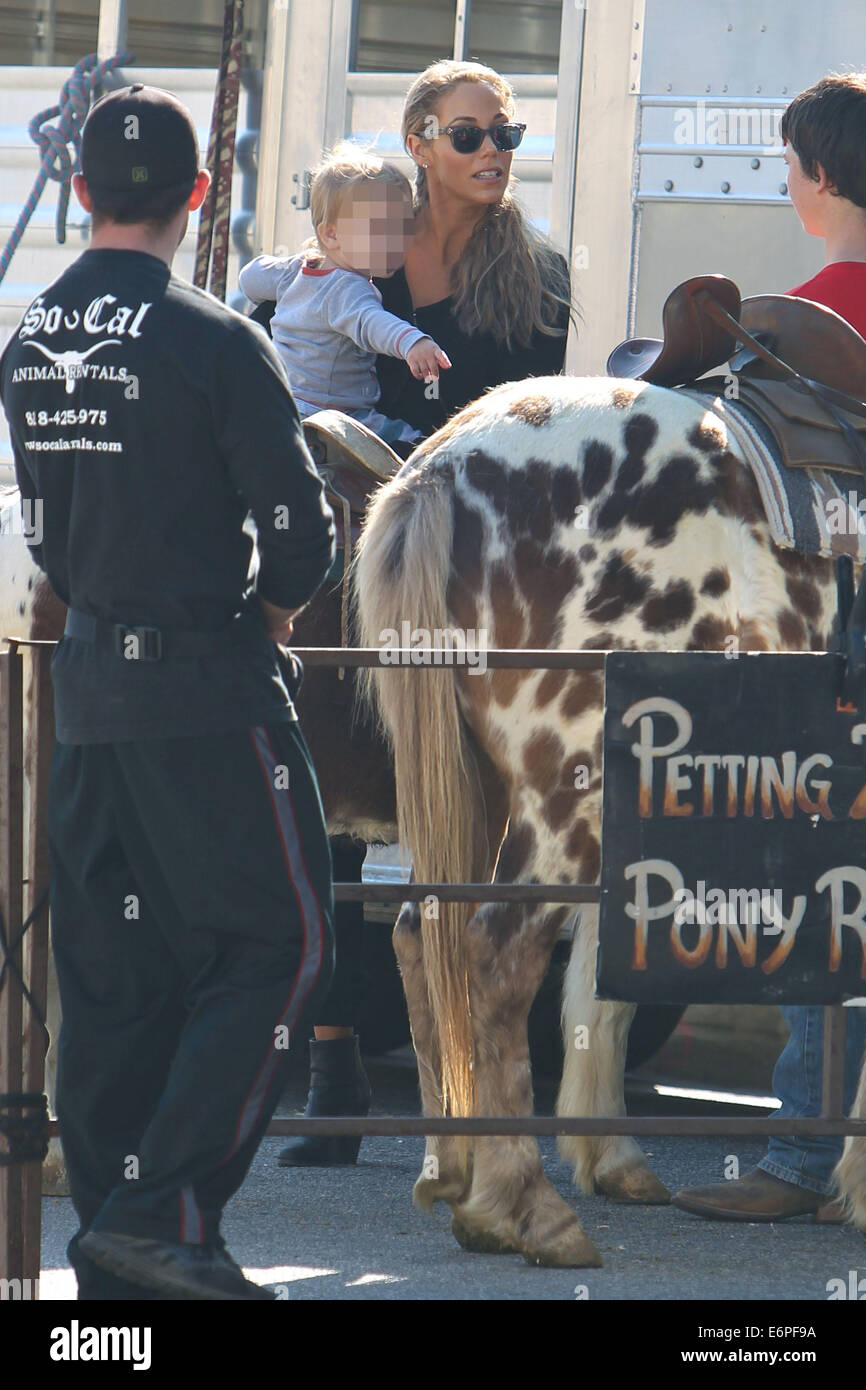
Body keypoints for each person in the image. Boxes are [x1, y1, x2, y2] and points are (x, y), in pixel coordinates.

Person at [0, 83, 336, 1299]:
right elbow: (300, 532)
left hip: (89, 688)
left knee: (112, 981)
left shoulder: (28, 338)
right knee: (283, 942)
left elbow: (47, 532)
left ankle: (119, 1256)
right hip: (205, 688)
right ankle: (166, 1218)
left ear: (81, 194)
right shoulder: (213, 337)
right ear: (198, 194)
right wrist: (276, 610)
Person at [278, 56, 575, 1169]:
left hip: (481, 552)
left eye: (506, 133)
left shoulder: (534, 278)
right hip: (347, 544)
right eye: (468, 134)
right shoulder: (364, 253)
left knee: (497, 796)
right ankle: (332, 1058)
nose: (492, 151)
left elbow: (534, 427)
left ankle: (507, 1055)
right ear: (417, 141)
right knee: (329, 796)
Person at [674, 72, 866, 1223]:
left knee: (820, 882)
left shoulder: (797, 324)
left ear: (819, 174)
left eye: (787, 162)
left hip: (828, 636)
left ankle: (801, 1154)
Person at [239, 145, 450, 448]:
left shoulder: (297, 270)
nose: (395, 240)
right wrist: (412, 342)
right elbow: (371, 322)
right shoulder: (349, 289)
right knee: (409, 441)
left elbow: (250, 279)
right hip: (336, 415)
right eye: (379, 228)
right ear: (331, 235)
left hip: (283, 399)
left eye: (403, 226)